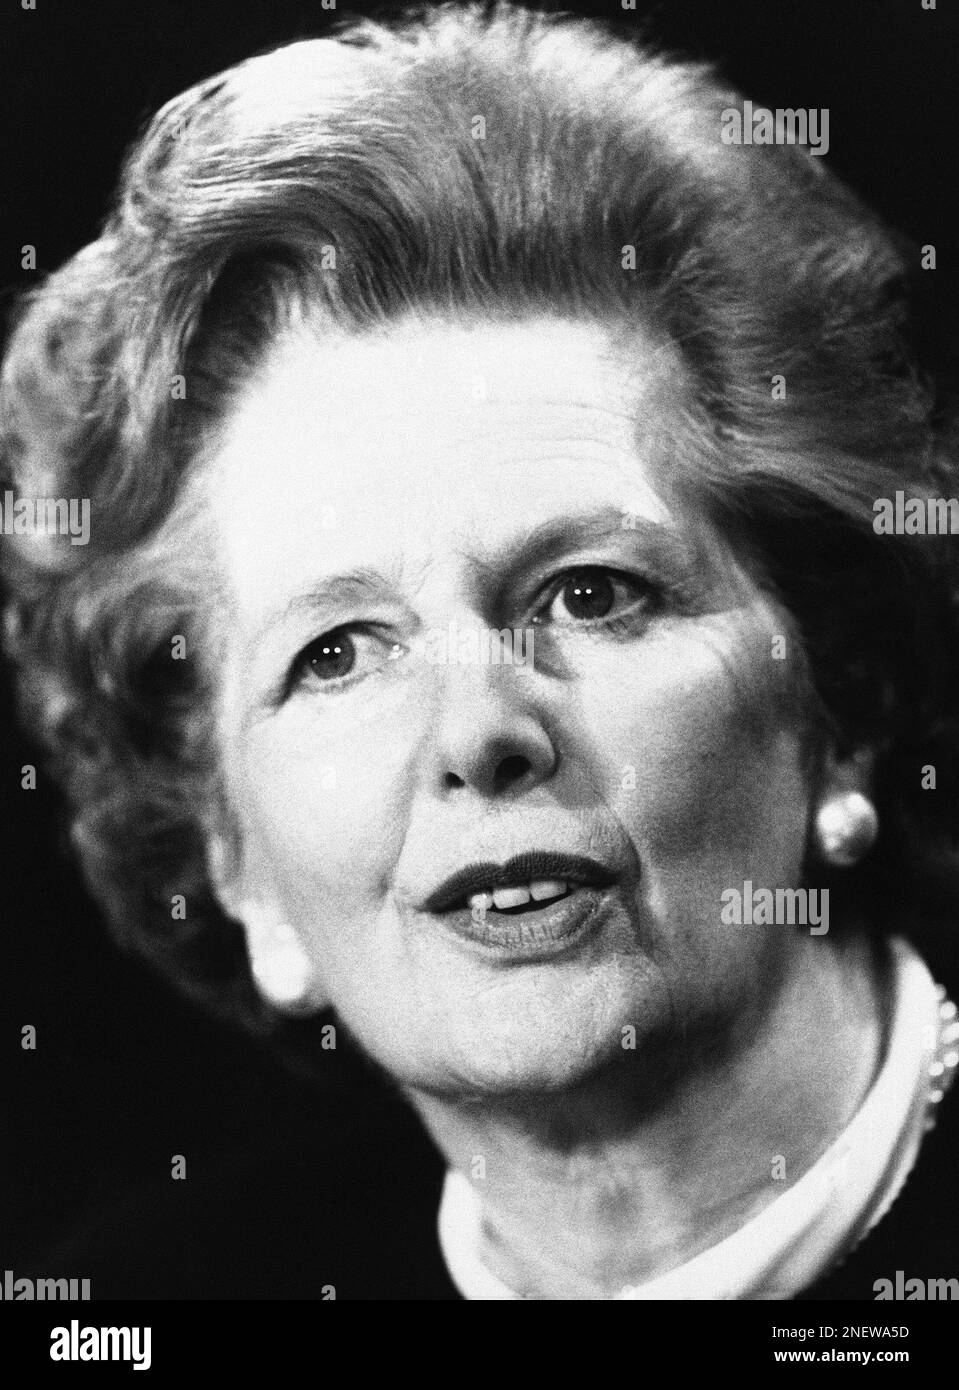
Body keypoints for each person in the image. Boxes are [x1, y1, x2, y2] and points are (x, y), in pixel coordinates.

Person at [3, 2, 958, 1300]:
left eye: (590, 593)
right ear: (237, 867)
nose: (478, 731)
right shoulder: (142, 1302)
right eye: (338, 652)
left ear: (838, 701)